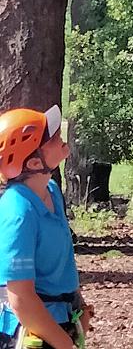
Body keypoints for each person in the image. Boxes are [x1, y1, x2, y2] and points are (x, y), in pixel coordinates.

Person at [0, 106, 91, 349]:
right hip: (33, 333)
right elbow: (20, 297)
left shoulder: (50, 191)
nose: (59, 135)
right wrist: (63, 343)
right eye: (50, 138)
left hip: (59, 322)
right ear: (32, 161)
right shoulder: (17, 211)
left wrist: (78, 305)